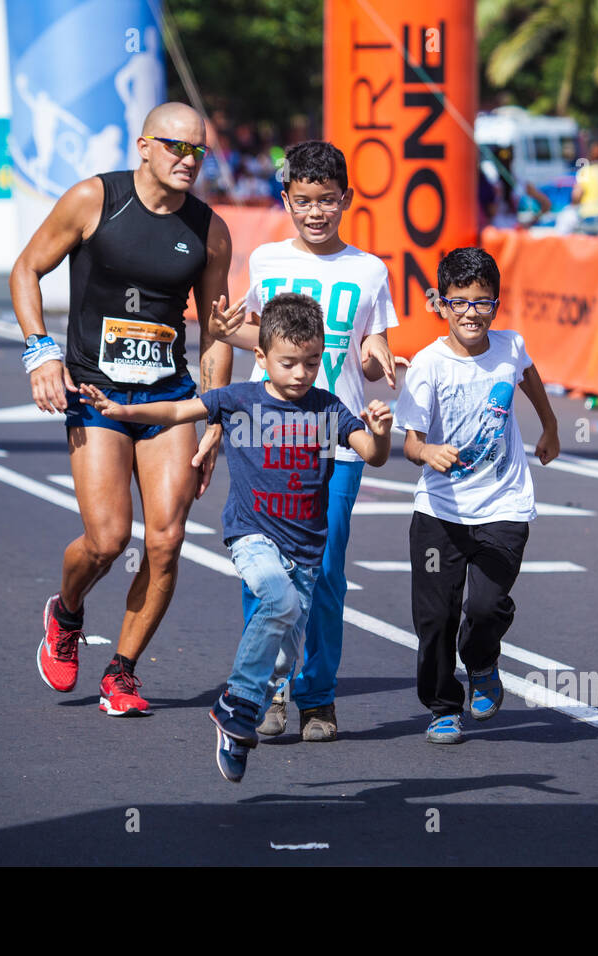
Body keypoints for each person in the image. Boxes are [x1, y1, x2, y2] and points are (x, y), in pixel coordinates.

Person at [79, 293, 393, 781]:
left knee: (284, 657)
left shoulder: (329, 407)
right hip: (253, 536)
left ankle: (237, 721)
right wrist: (119, 414)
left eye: (312, 362)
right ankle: (235, 705)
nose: (301, 373)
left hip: (306, 550)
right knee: (279, 601)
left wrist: (381, 432)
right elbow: (176, 413)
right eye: (289, 363)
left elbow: (371, 454)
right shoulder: (239, 400)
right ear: (261, 358)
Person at [10, 102, 234, 717]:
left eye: (199, 151)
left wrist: (213, 415)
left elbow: (215, 333)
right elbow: (27, 268)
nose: (188, 160)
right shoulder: (94, 200)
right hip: (93, 392)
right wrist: (40, 352)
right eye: (176, 147)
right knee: (108, 540)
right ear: (143, 146)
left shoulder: (209, 230)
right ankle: (68, 612)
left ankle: (123, 671)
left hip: (167, 398)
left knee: (167, 540)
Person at [206, 140, 398, 742]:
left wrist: (378, 357)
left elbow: (370, 349)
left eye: (328, 200)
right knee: (262, 575)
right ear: (286, 198)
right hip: (264, 434)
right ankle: (264, 691)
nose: (316, 212)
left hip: (336, 437)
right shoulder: (264, 261)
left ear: (346, 199)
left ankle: (317, 696)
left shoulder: (370, 271)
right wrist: (222, 340)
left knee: (325, 569)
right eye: (304, 200)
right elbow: (252, 340)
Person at [394, 247, 559, 745]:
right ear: (439, 304)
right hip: (439, 513)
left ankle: (483, 660)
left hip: (504, 505)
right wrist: (428, 453)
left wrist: (549, 424)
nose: (471, 313)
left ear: (497, 304)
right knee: (435, 617)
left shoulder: (510, 347)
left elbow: (526, 373)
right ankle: (443, 706)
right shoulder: (428, 365)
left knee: (485, 606)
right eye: (459, 302)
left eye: (482, 302)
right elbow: (409, 443)